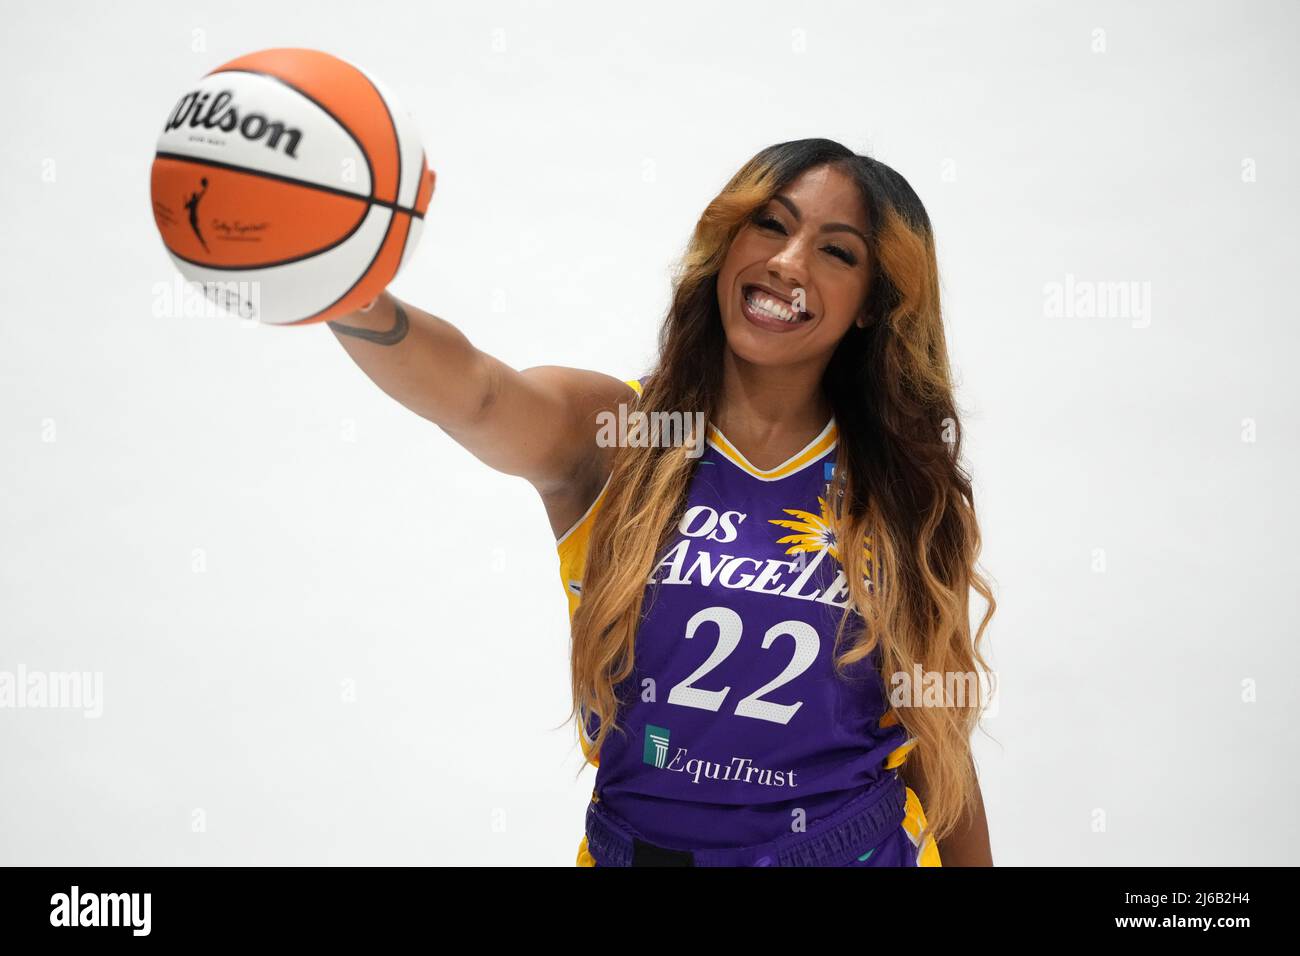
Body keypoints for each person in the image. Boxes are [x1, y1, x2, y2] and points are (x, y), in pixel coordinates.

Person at [327, 138, 995, 866]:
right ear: (728, 238)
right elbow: (479, 393)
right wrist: (343, 286)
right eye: (770, 223)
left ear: (872, 304)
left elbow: (941, 744)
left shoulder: (903, 491)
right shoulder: (619, 436)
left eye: (838, 253)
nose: (789, 262)